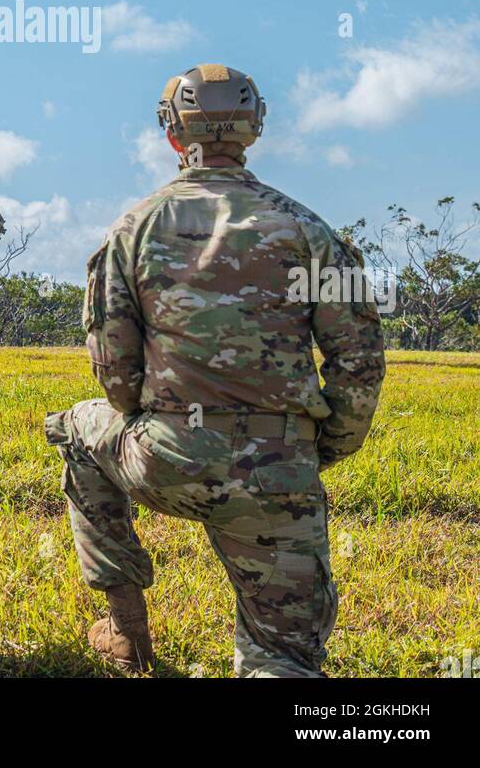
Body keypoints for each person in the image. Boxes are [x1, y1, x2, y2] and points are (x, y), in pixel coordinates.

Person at [46, 63, 386, 678]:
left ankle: (125, 629)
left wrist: (165, 427)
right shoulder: (309, 230)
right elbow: (358, 366)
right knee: (282, 659)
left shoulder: (133, 229)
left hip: (165, 457)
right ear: (254, 128)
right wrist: (314, 451)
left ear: (172, 134)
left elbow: (115, 376)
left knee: (75, 428)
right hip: (281, 467)